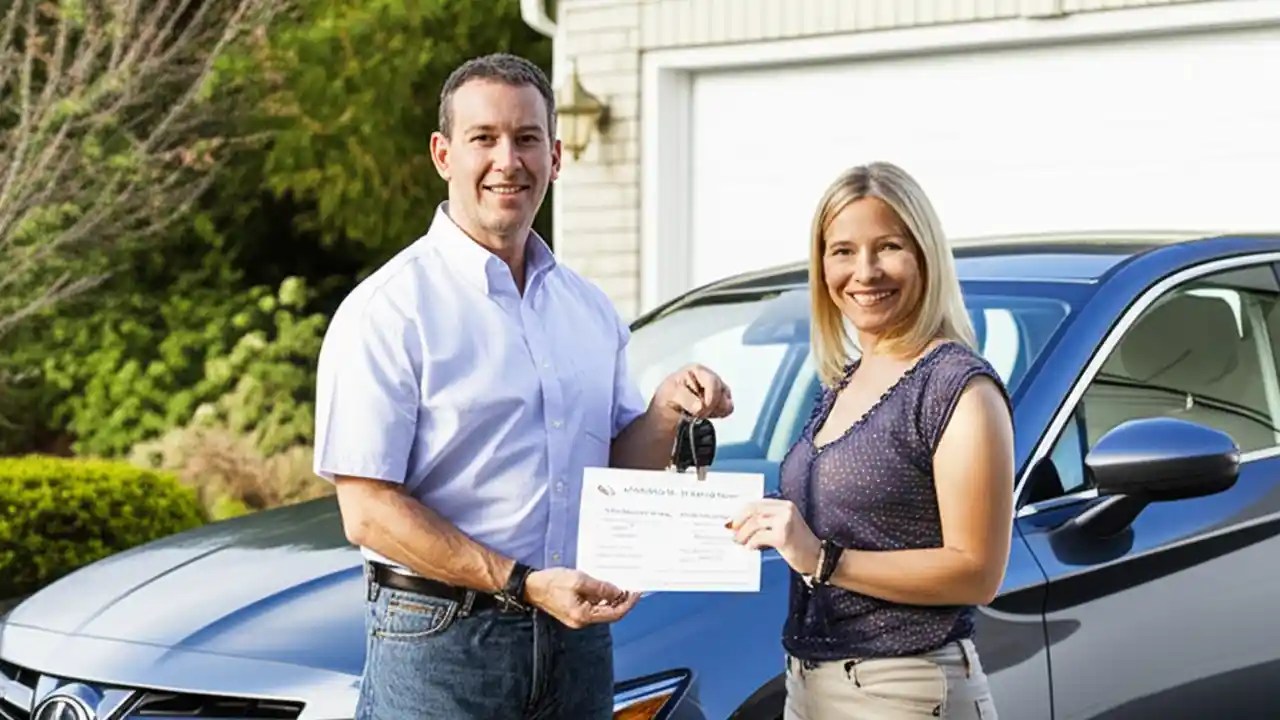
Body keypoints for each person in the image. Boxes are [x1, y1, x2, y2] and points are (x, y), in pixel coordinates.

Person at [312, 52, 734, 720]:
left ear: (557, 157)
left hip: (577, 640)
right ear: (443, 153)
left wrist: (663, 411)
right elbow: (366, 509)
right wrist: (523, 584)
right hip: (442, 642)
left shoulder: (589, 310)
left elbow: (617, 475)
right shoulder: (390, 309)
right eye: (484, 138)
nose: (507, 160)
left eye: (527, 139)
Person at [729, 162, 1014, 719]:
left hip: (903, 689)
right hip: (808, 687)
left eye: (887, 247)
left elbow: (978, 570)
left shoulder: (957, 386)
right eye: (842, 252)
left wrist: (822, 558)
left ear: (924, 256)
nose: (865, 272)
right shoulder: (844, 381)